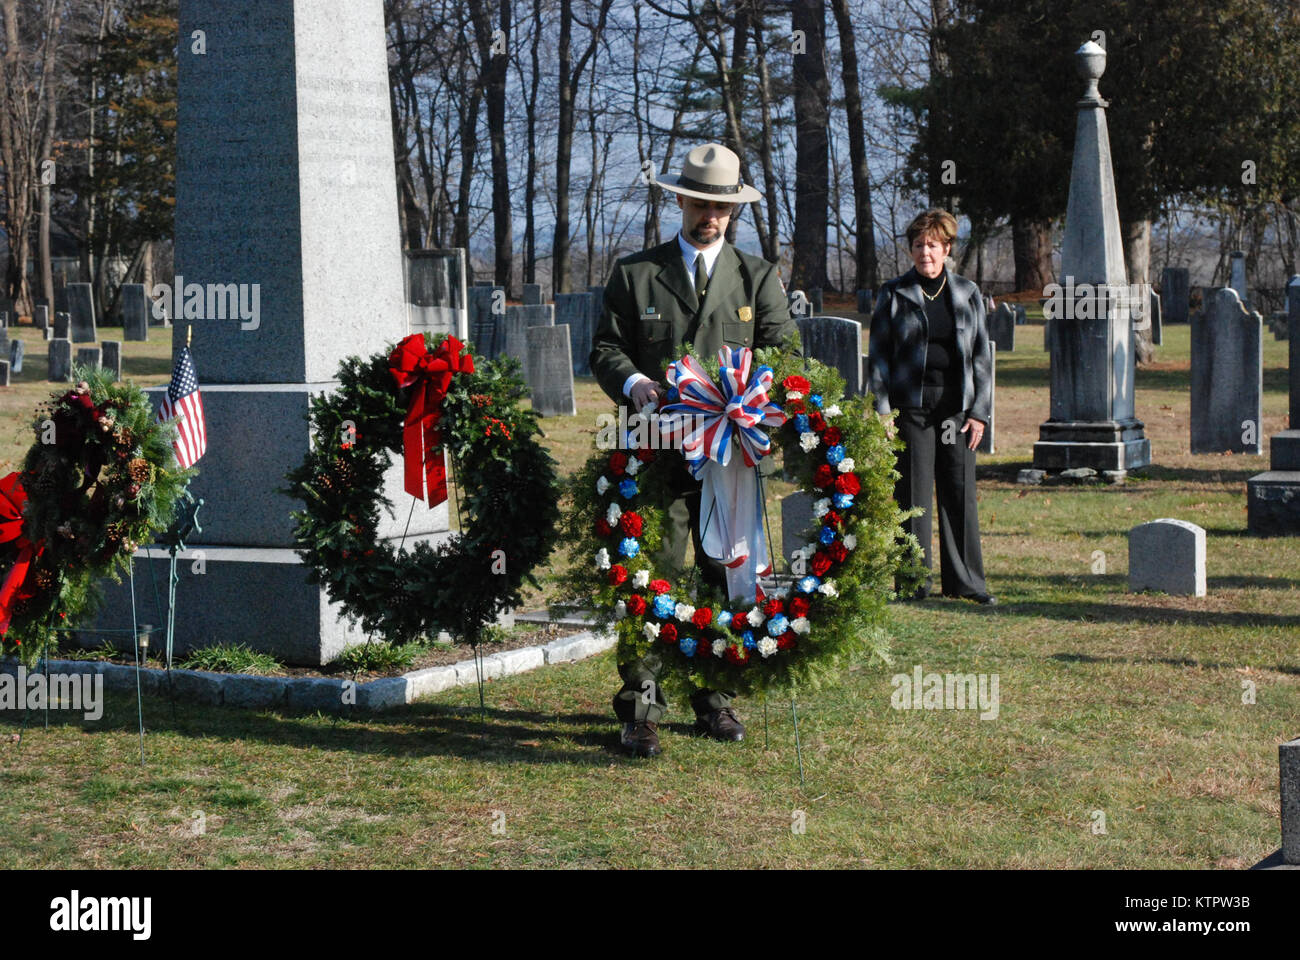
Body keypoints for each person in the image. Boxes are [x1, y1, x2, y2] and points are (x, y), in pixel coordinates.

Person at [590, 142, 798, 758]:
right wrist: (635, 383)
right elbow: (606, 349)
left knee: (720, 573)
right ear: (679, 198)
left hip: (729, 460)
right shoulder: (636, 273)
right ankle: (641, 710)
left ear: (734, 211)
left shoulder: (756, 276)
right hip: (655, 454)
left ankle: (714, 699)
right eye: (701, 202)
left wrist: (758, 392)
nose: (711, 215)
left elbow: (784, 354)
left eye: (722, 206)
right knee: (650, 575)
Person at [867, 209, 996, 605]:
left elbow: (980, 356)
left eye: (933, 245)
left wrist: (979, 412)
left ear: (947, 249)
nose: (926, 252)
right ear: (910, 250)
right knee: (913, 497)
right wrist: (883, 411)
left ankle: (966, 582)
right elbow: (878, 359)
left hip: (955, 408)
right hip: (912, 409)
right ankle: (912, 582)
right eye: (919, 245)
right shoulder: (894, 294)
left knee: (959, 493)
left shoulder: (966, 292)